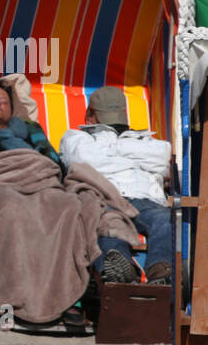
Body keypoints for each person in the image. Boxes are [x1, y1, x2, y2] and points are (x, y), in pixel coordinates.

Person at [59, 86, 173, 285]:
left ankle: (161, 271)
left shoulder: (144, 137)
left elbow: (162, 159)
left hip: (146, 199)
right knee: (107, 223)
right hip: (104, 198)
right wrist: (135, 158)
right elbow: (84, 161)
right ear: (89, 116)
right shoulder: (76, 137)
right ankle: (121, 272)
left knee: (165, 219)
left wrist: (109, 152)